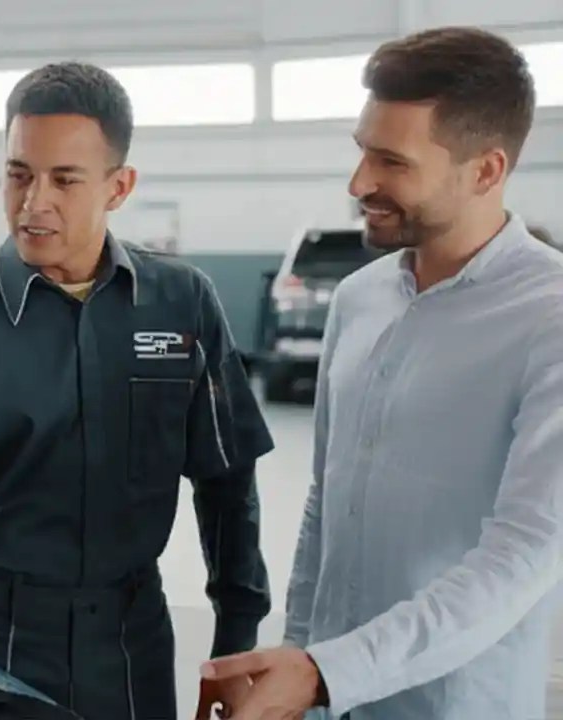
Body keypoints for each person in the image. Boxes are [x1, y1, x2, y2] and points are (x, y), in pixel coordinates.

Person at [0, 61, 275, 720]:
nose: (32, 201)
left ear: (119, 186)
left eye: (64, 180)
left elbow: (226, 482)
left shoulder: (182, 303)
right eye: (18, 173)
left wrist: (238, 638)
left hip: (128, 637)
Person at [200, 26, 563, 720]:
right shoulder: (360, 300)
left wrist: (324, 672)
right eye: (363, 150)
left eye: (392, 161)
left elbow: (520, 559)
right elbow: (325, 505)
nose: (359, 182)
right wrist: (300, 661)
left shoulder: (550, 319)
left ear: (486, 170)